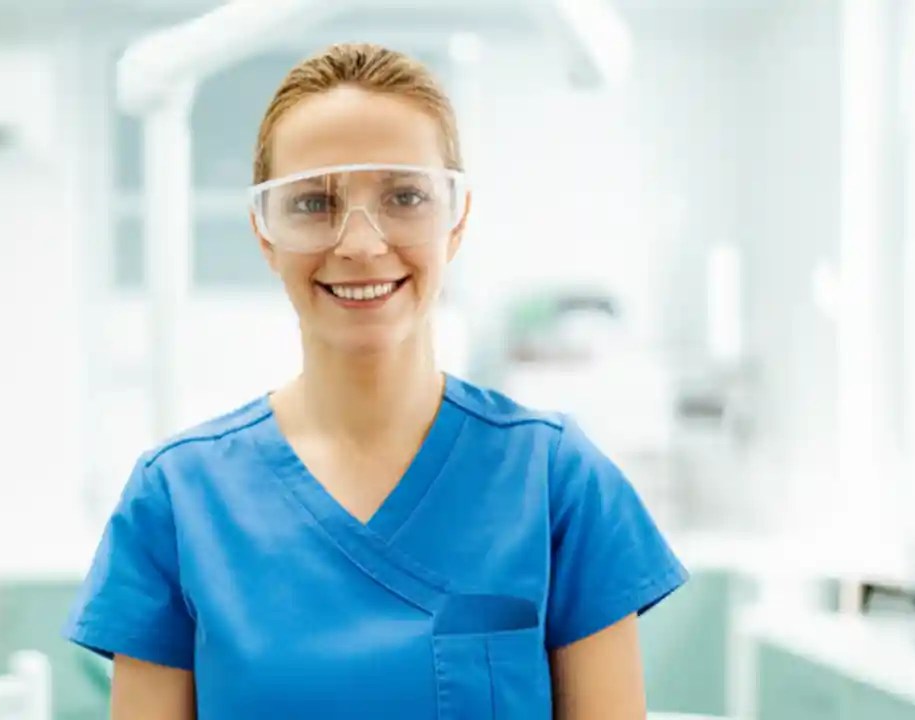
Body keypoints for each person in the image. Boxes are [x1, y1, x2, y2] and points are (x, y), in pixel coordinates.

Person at [64, 42, 687, 720]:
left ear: (456, 219)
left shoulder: (555, 481)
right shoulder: (177, 501)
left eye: (405, 197)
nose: (361, 244)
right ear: (265, 233)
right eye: (314, 203)